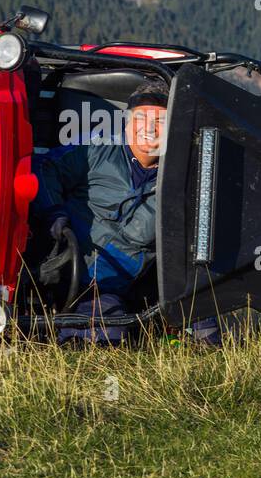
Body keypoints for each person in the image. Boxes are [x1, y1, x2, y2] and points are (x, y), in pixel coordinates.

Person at [32, 78, 168, 342]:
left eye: (160, 121)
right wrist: (55, 214)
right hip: (58, 267)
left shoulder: (179, 178)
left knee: (104, 336)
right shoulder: (97, 148)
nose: (149, 128)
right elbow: (45, 168)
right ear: (128, 122)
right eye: (141, 117)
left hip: (108, 291)